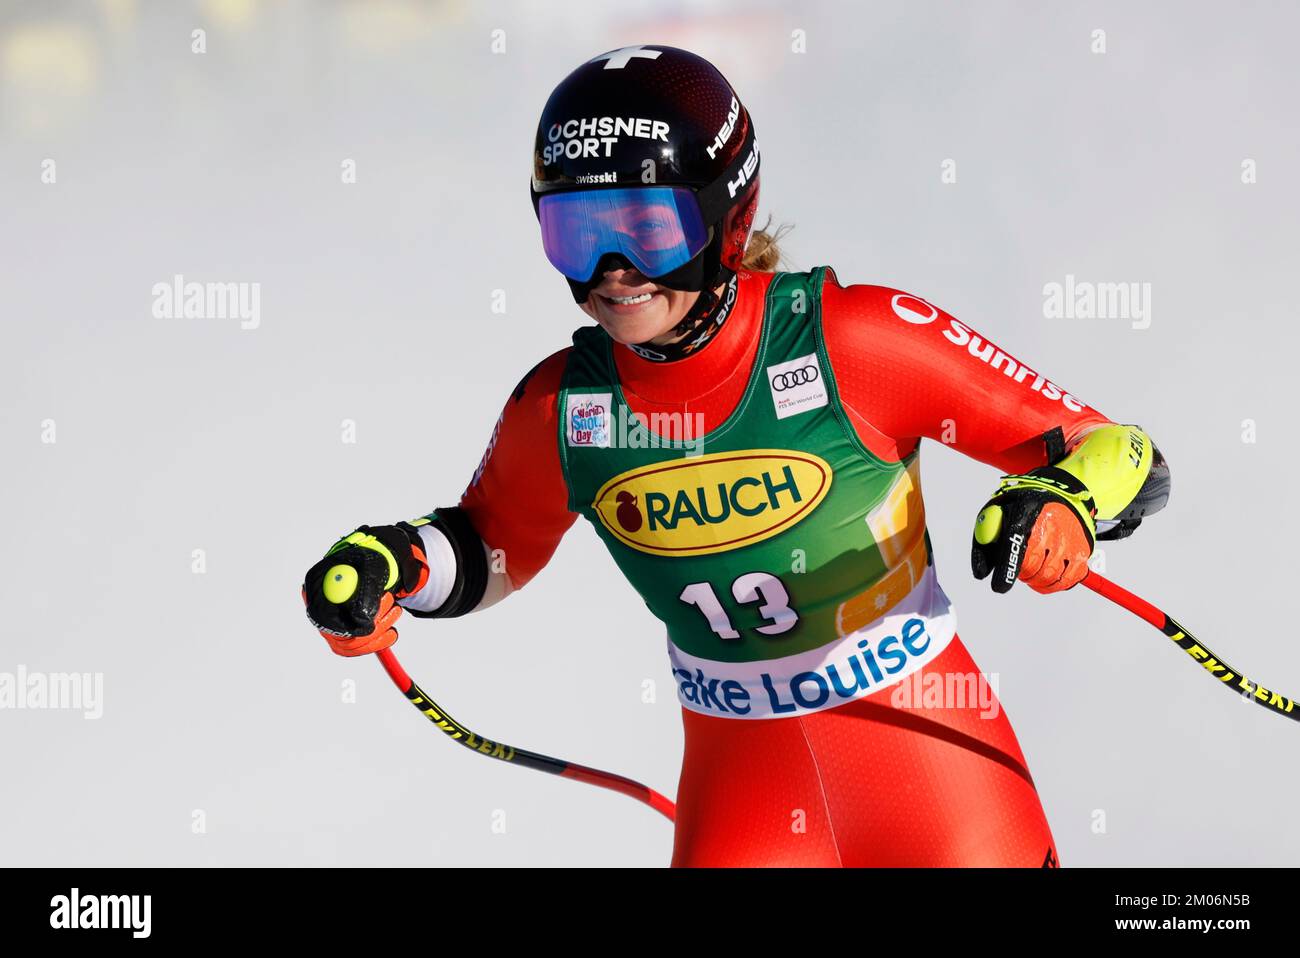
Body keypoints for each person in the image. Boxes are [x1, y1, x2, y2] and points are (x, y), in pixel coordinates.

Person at [302, 44, 1171, 867]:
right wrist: (396, 562)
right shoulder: (565, 409)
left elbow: (1117, 449)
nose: (613, 270)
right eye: (577, 231)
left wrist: (1065, 500)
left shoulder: (853, 340)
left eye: (648, 227)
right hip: (746, 797)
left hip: (936, 772)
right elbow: (491, 547)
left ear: (726, 218)